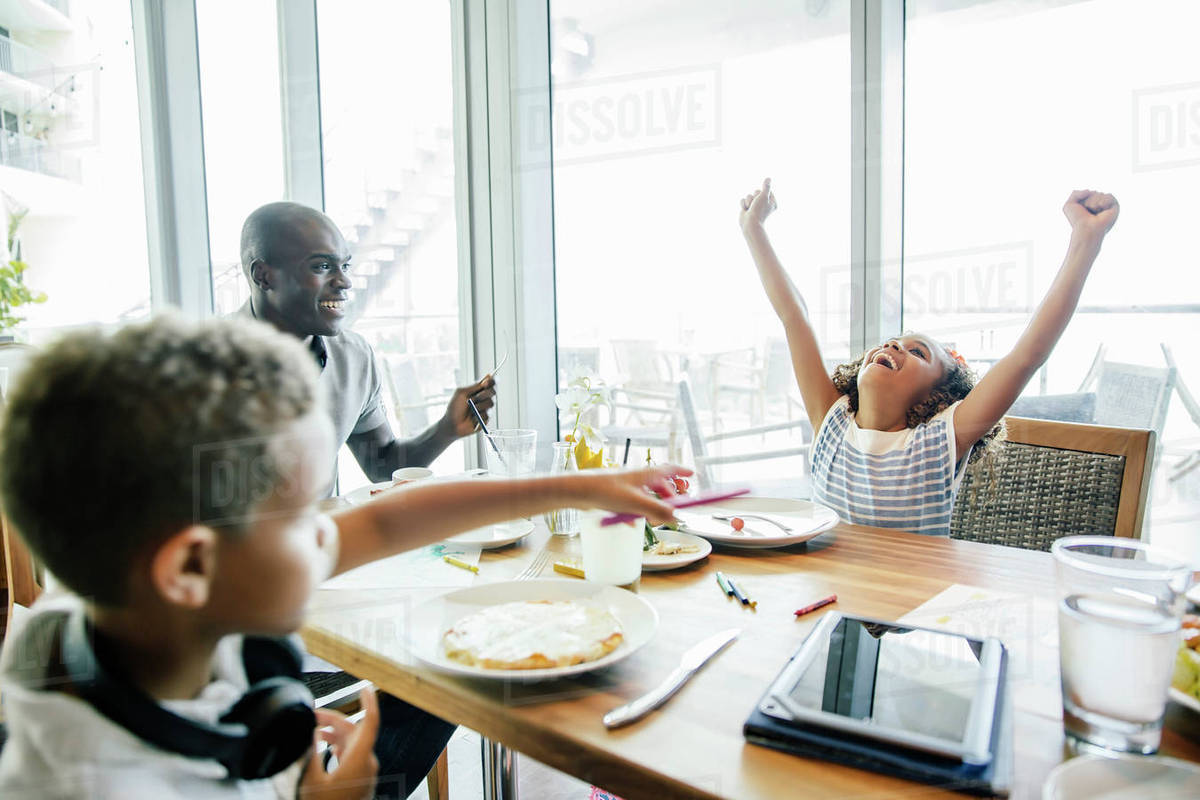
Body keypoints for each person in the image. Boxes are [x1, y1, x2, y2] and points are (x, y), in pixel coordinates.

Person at [0, 314, 686, 798]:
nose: (333, 529)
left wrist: (580, 485)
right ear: (190, 568)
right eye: (304, 519)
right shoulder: (105, 784)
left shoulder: (121, 605)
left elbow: (384, 522)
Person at [738, 178, 1119, 535]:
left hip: (911, 603)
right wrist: (754, 230)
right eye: (892, 342)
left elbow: (1028, 355)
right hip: (829, 600)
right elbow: (794, 316)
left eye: (917, 352)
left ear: (939, 397)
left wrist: (1085, 241)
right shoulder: (831, 421)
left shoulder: (941, 440)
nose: (894, 346)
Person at [238, 201, 496, 494]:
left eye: (344, 265)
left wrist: (446, 428)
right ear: (263, 276)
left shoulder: (353, 356)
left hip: (317, 535)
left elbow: (382, 466)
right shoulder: (199, 366)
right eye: (321, 266)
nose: (345, 281)